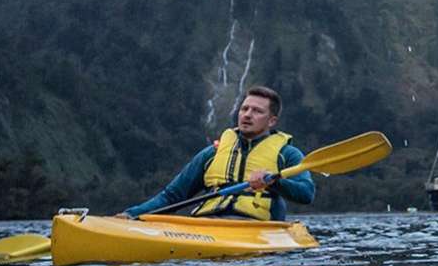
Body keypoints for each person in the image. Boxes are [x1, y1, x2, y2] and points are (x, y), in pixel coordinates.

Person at [124, 86, 315, 220]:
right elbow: (172, 196)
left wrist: (275, 182)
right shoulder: (212, 153)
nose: (247, 114)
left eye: (257, 111)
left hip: (256, 227)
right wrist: (130, 214)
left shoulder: (288, 154)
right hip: (208, 225)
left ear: (271, 121)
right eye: (244, 108)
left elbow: (306, 193)